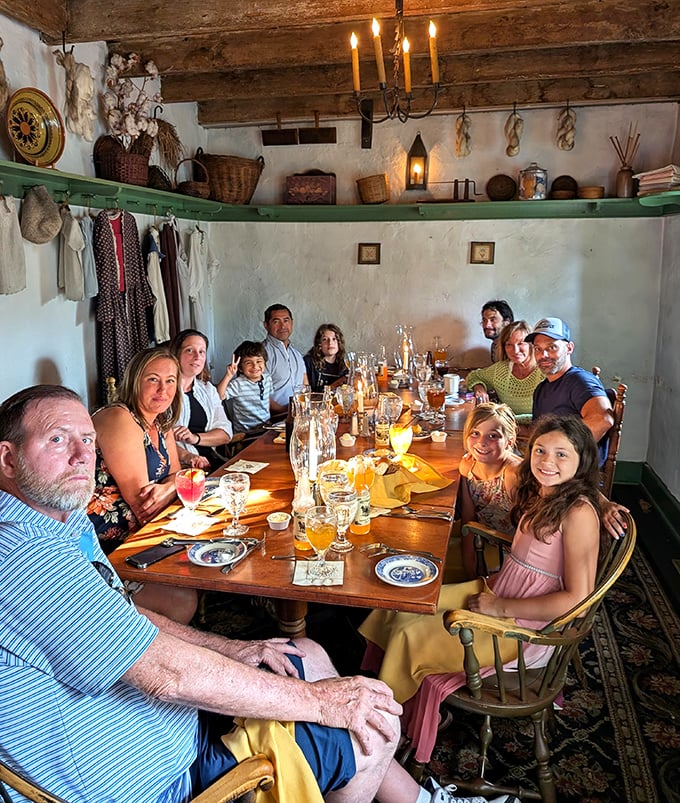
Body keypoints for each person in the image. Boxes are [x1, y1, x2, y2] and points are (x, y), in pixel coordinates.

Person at [0, 384, 514, 803]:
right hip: (161, 778)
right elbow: (167, 675)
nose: (81, 456)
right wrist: (319, 703)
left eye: (88, 441)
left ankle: (424, 802)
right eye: (57, 440)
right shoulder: (24, 558)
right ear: (7, 458)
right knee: (372, 726)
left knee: (305, 651)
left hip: (158, 726)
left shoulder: (55, 530)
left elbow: (128, 619)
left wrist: (240, 649)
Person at [359, 415, 603, 767]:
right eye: (540, 450)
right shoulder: (547, 492)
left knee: (411, 635)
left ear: (582, 460)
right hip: (500, 591)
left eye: (562, 454)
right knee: (404, 602)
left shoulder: (578, 511)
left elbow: (577, 602)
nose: (547, 462)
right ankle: (392, 693)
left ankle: (386, 728)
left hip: (524, 628)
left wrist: (499, 607)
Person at [86, 347, 197, 623]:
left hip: (145, 534)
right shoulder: (119, 418)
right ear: (135, 381)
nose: (163, 389)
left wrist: (171, 486)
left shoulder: (161, 422)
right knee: (184, 597)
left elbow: (178, 476)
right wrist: (175, 486)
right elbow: (144, 506)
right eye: (153, 379)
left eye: (171, 380)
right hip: (106, 548)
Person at [525, 317, 614, 465]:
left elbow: (603, 419)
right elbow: (537, 431)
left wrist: (560, 452)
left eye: (551, 347)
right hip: (548, 467)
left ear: (569, 348)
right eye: (537, 349)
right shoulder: (542, 388)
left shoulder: (579, 381)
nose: (543, 355)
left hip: (575, 475)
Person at [457, 403, 521, 579]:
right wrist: (470, 571)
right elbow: (468, 521)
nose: (481, 442)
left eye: (493, 436)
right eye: (475, 433)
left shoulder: (513, 475)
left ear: (509, 441)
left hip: (512, 554)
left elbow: (534, 533)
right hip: (482, 539)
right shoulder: (467, 467)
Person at [170, 328, 233, 471]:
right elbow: (155, 440)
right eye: (189, 350)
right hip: (181, 468)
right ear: (176, 354)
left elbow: (226, 434)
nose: (197, 357)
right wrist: (188, 456)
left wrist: (195, 438)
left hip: (212, 463)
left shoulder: (207, 390)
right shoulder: (164, 392)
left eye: (201, 352)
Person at [465, 321, 543, 423]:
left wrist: (508, 419)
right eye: (509, 344)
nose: (515, 350)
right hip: (505, 430)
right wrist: (479, 388)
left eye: (520, 343)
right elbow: (474, 376)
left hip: (538, 431)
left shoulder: (544, 371)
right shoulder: (501, 369)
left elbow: (549, 414)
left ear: (531, 345)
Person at [219, 340, 273, 434]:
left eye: (259, 361)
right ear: (240, 368)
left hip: (266, 427)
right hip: (245, 434)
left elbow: (268, 400)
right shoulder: (238, 384)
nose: (255, 366)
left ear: (265, 363)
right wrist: (228, 376)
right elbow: (219, 396)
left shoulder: (267, 378)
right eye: (248, 363)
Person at [262, 303, 308, 412]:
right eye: (276, 321)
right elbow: (257, 393)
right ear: (266, 325)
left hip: (298, 415)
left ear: (292, 323)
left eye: (286, 320)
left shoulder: (296, 354)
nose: (282, 326)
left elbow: (305, 385)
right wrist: (284, 411)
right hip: (272, 419)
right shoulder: (261, 354)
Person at [304, 323, 349, 392]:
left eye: (334, 339)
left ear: (339, 343)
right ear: (319, 344)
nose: (330, 343)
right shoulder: (308, 362)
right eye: (325, 339)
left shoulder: (345, 364)